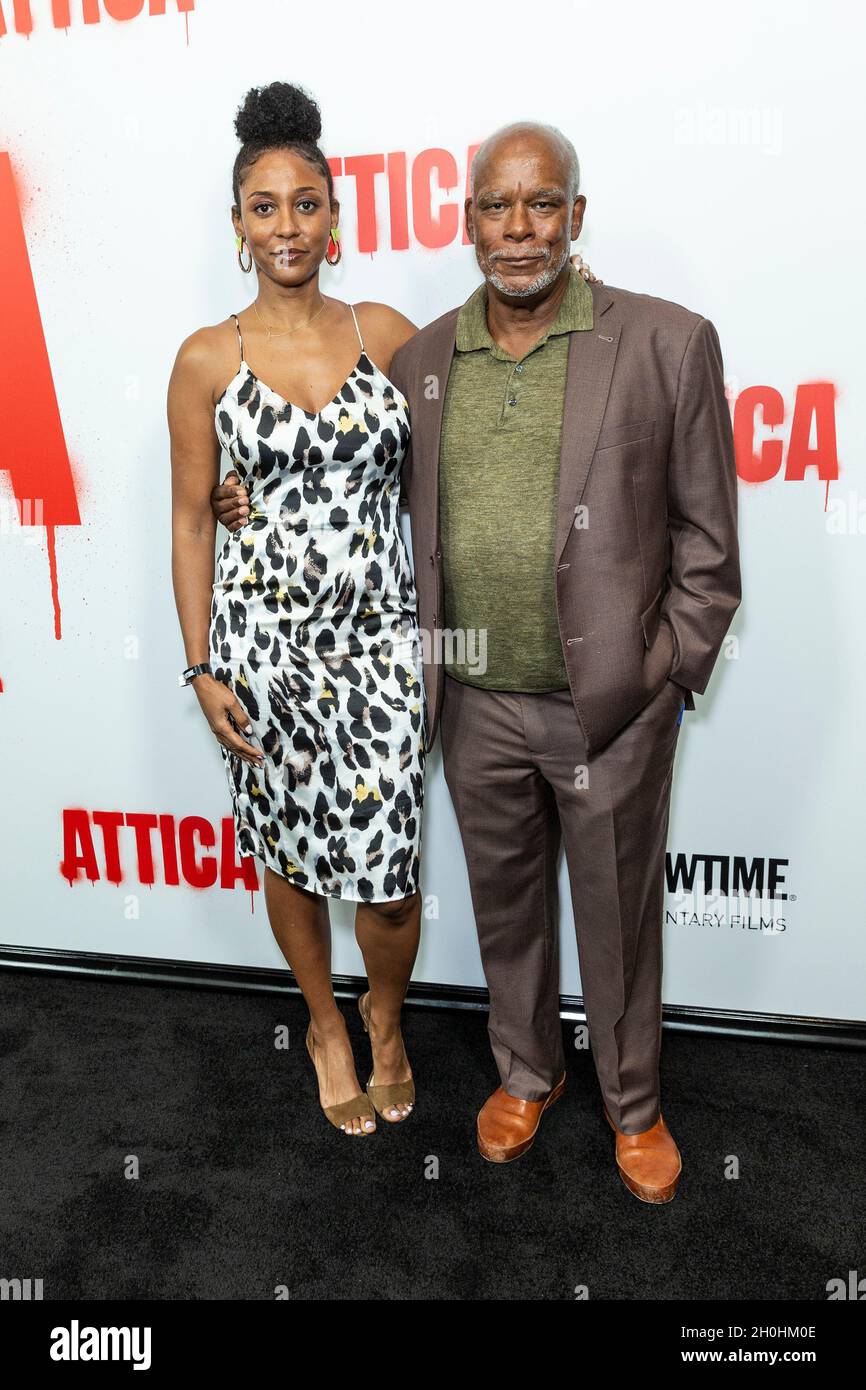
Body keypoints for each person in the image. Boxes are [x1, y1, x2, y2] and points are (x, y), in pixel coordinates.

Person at [213, 118, 741, 1204]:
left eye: (541, 204)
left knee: (619, 920)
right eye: (496, 207)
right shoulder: (421, 359)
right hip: (468, 697)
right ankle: (526, 1073)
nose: (519, 228)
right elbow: (337, 463)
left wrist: (667, 673)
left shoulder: (665, 342)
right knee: (506, 909)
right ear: (467, 224)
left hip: (611, 703)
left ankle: (634, 1105)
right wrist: (240, 497)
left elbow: (708, 542)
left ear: (575, 216)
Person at [168, 81, 425, 1138]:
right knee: (289, 853)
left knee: (390, 878)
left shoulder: (388, 333)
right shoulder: (205, 358)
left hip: (381, 652)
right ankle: (324, 1024)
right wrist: (201, 668)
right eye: (264, 206)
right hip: (262, 654)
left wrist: (573, 289)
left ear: (334, 215)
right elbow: (192, 522)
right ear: (237, 224)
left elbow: (468, 442)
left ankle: (386, 1016)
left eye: (305, 204)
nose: (287, 225)